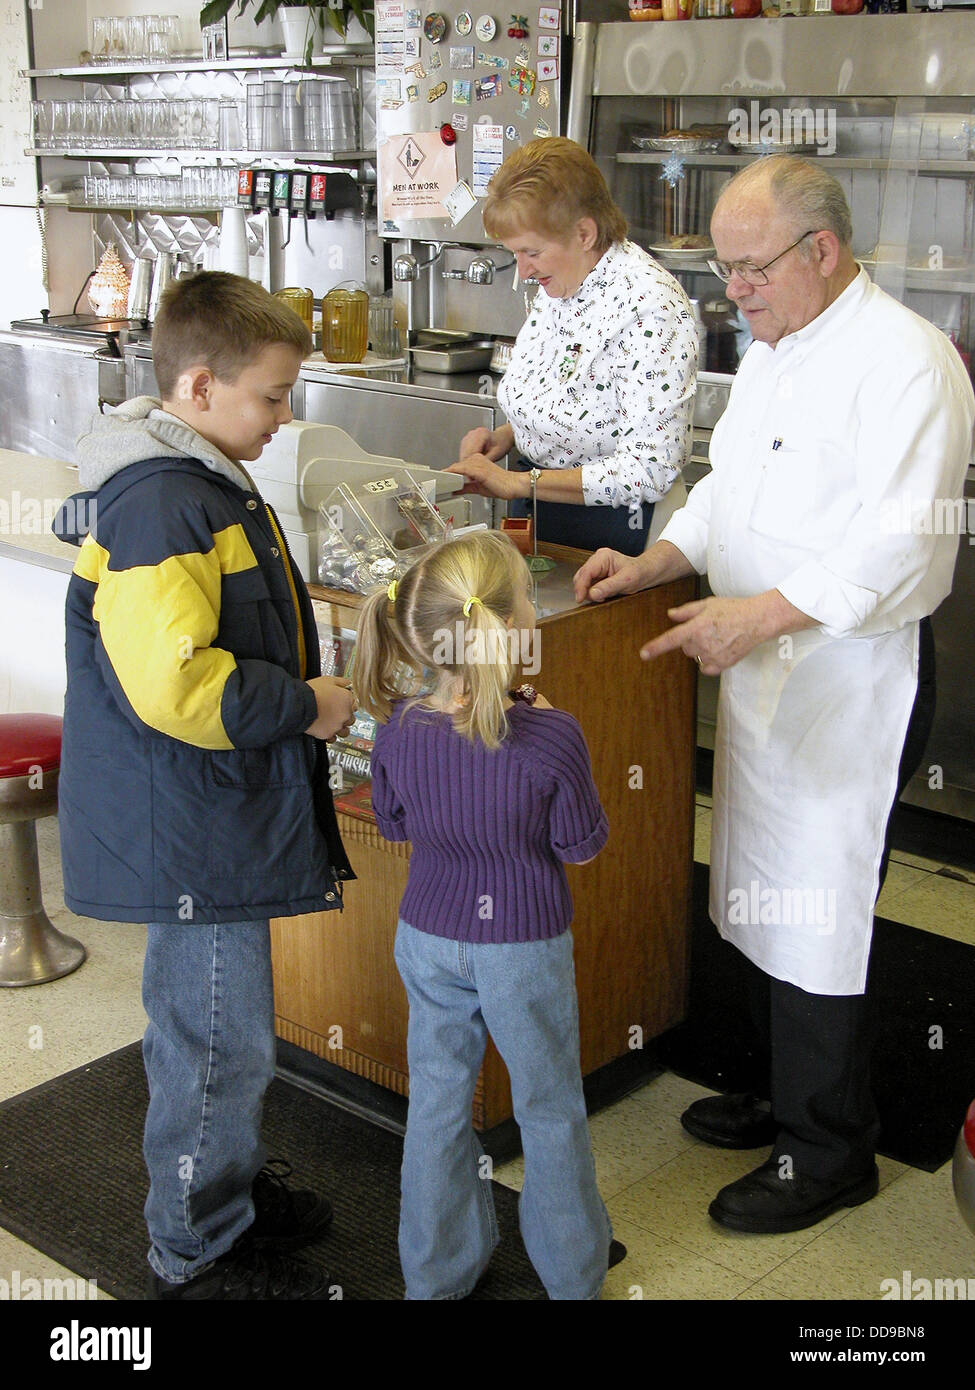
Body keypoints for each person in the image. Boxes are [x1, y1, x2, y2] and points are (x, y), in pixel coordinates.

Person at [574, 155, 975, 1235]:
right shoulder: (773, 352)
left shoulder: (909, 363)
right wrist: (662, 560)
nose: (732, 290)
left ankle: (830, 1147)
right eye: (722, 266)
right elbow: (727, 492)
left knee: (818, 906)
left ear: (823, 252)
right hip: (758, 667)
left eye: (748, 267)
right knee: (752, 882)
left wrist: (759, 615)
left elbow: (907, 552)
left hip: (852, 678)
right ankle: (776, 1088)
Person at [53, 272, 358, 1298]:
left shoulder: (197, 474)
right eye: (272, 396)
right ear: (197, 383)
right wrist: (305, 703)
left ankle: (215, 1196)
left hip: (202, 814)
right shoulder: (165, 502)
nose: (284, 416)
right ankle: (195, 1245)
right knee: (218, 1043)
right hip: (195, 824)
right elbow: (176, 685)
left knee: (212, 1031)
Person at [355, 530, 622, 1298]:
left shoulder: (399, 727)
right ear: (508, 629)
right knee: (546, 1107)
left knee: (437, 1101)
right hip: (521, 945)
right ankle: (572, 1276)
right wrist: (549, 734)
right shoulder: (551, 736)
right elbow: (580, 846)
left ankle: (434, 1275)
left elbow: (398, 825)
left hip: (427, 935)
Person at [446, 137, 697, 555]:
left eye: (532, 252)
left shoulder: (651, 306)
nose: (523, 270)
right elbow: (582, 399)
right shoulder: (564, 282)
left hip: (622, 530)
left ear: (584, 232)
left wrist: (517, 482)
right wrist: (513, 435)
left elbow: (647, 470)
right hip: (547, 510)